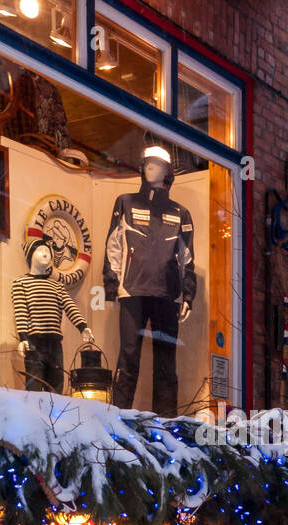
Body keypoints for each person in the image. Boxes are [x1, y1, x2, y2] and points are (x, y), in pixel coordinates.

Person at [102, 145, 196, 416]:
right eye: (149, 163)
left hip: (169, 295)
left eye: (159, 164)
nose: (153, 168)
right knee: (128, 356)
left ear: (168, 172)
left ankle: (166, 425)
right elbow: (114, 246)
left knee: (166, 362)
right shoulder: (126, 202)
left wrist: (188, 295)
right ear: (142, 167)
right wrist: (111, 285)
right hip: (132, 290)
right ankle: (118, 419)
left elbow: (187, 257)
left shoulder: (181, 213)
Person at [14, 239, 92, 393]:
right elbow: (20, 311)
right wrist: (23, 338)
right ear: (30, 255)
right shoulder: (21, 283)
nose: (45, 253)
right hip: (34, 343)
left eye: (48, 251)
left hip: (55, 344)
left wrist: (83, 327)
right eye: (40, 250)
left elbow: (70, 307)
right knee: (34, 388)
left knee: (56, 387)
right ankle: (35, 416)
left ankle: (56, 416)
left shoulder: (57, 286)